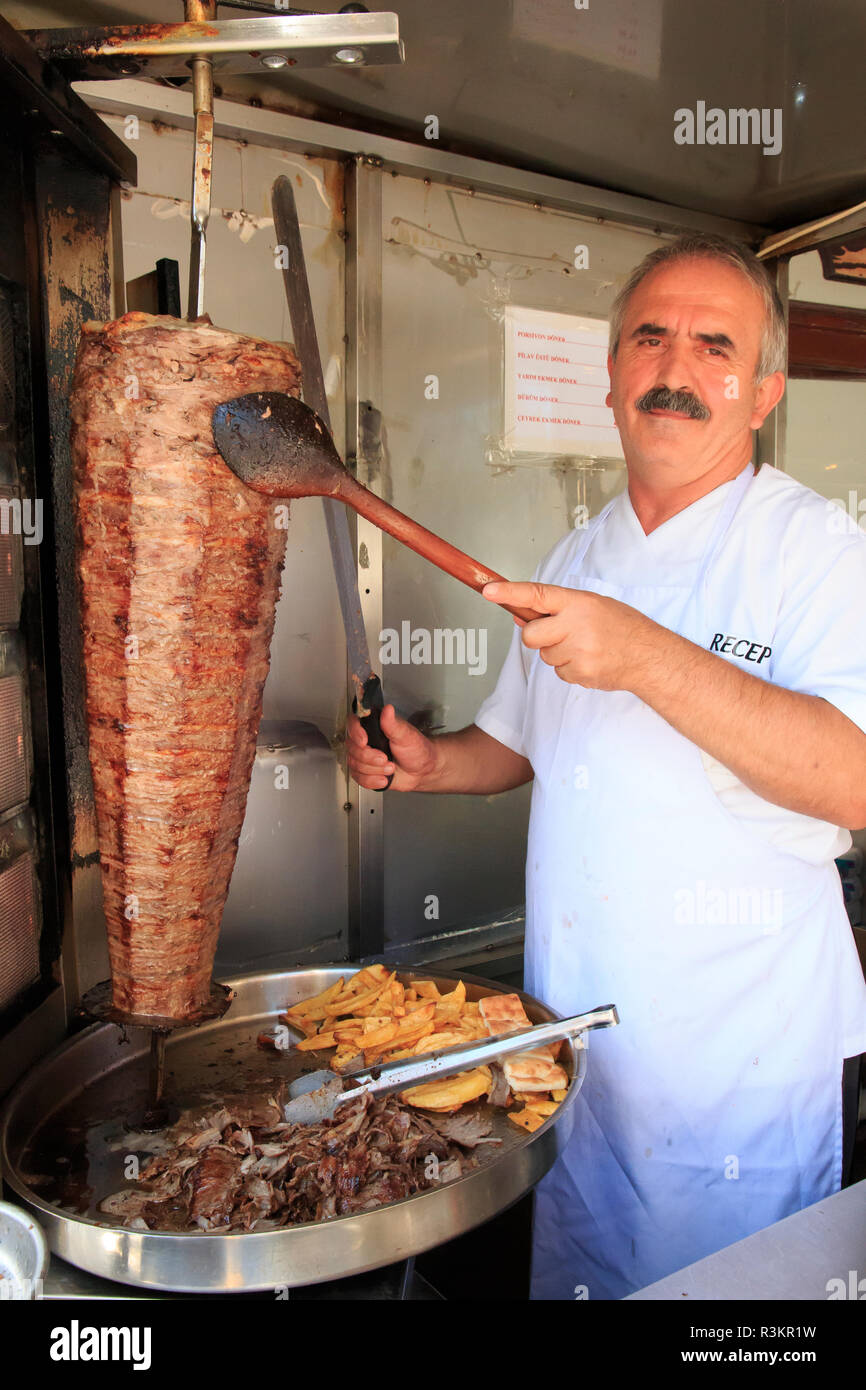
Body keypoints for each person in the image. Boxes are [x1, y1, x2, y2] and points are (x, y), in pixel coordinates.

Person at [346, 233, 866, 1299]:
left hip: (734, 1069)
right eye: (649, 337)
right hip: (571, 1050)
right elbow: (520, 745)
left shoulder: (817, 551)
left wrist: (645, 657)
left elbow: (852, 776)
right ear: (612, 372)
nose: (674, 369)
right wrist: (426, 762)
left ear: (761, 390)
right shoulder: (575, 555)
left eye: (713, 345)